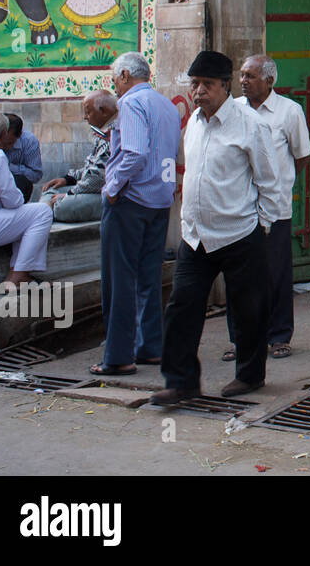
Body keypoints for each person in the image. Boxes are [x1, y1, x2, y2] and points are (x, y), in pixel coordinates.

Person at [151, 51, 282, 405]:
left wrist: (263, 226)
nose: (199, 91)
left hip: (240, 233)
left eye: (207, 84)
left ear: (225, 86)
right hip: (195, 237)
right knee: (181, 307)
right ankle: (181, 382)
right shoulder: (194, 122)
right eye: (194, 84)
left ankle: (250, 375)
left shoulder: (250, 124)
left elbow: (270, 181)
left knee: (248, 310)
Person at [93, 52, 181, 376]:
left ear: (125, 75)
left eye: (115, 78)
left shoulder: (130, 103)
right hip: (159, 200)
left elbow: (134, 152)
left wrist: (112, 187)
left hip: (131, 200)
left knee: (119, 280)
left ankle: (118, 357)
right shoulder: (166, 105)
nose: (114, 85)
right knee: (148, 277)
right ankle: (151, 347)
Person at [223, 54, 310, 362]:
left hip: (275, 209)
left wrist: (279, 185)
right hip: (238, 208)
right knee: (239, 276)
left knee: (275, 273)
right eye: (242, 75)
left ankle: (279, 336)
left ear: (270, 80)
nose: (243, 81)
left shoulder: (289, 111)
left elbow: (301, 156)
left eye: (250, 76)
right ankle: (241, 340)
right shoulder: (232, 109)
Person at [0, 111, 52, 285]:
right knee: (42, 212)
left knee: (23, 215)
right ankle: (18, 275)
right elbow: (13, 201)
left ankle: (18, 272)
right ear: (2, 134)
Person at [40, 89, 117, 224]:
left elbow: (97, 179)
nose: (85, 117)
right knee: (51, 193)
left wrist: (69, 194)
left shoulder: (113, 133)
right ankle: (46, 210)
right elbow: (92, 168)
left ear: (103, 111)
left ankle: (45, 211)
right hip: (94, 188)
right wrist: (69, 179)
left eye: (88, 112)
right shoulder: (102, 132)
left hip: (110, 194)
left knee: (61, 205)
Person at [2, 113, 42, 202]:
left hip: (16, 187)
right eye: (2, 141)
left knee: (22, 182)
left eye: (9, 143)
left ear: (19, 135)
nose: (4, 146)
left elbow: (36, 175)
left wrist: (9, 166)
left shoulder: (29, 141)